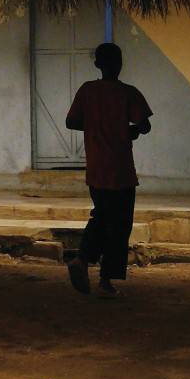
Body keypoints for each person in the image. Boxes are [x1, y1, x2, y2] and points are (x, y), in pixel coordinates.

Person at [64, 41, 152, 299]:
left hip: (96, 168)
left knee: (101, 217)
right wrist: (129, 130)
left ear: (97, 65)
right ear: (120, 64)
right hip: (122, 169)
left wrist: (94, 126)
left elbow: (71, 121)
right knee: (120, 224)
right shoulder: (128, 93)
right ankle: (104, 278)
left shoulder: (87, 91)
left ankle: (83, 259)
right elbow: (144, 126)